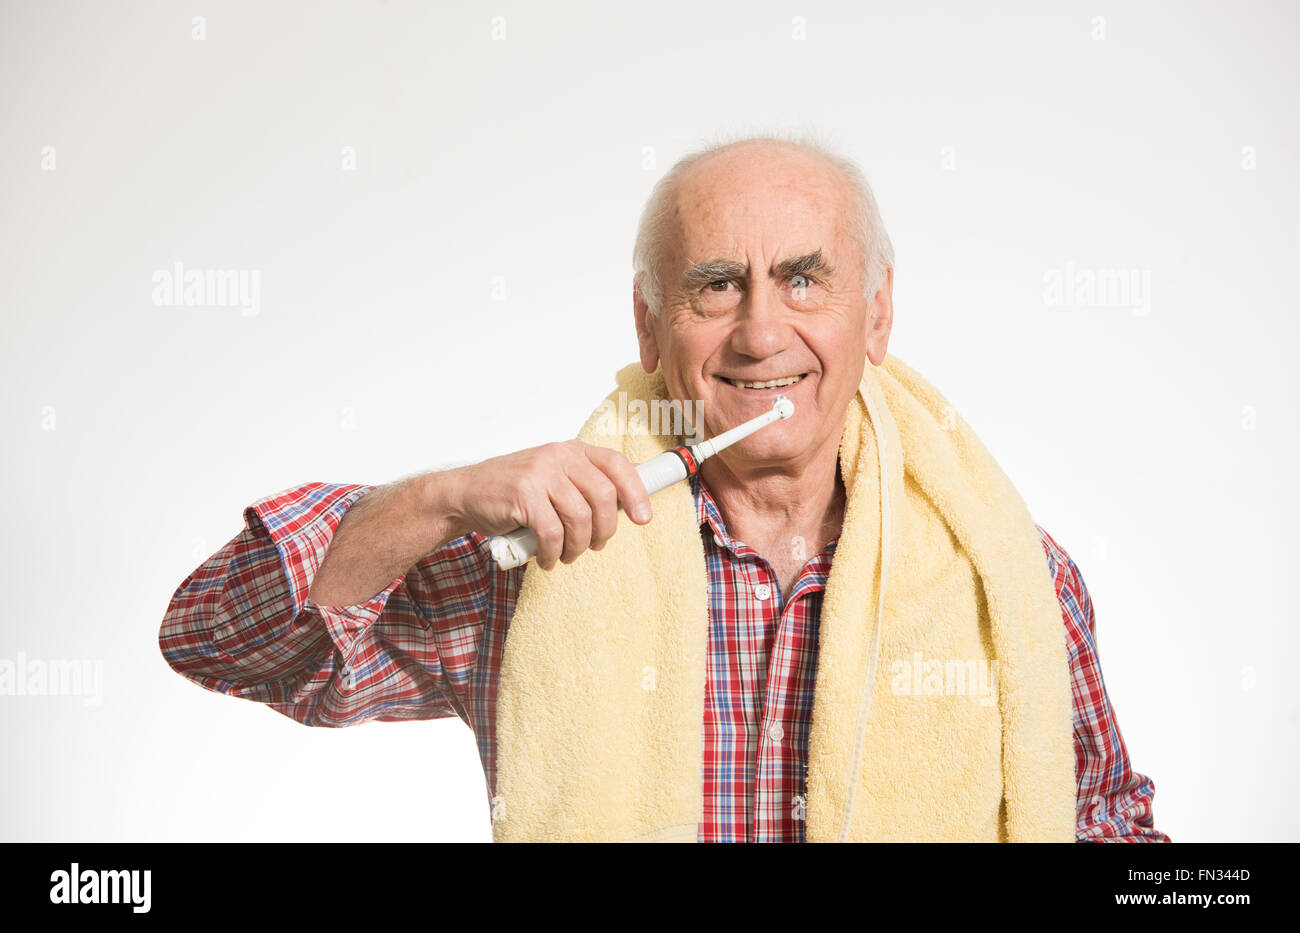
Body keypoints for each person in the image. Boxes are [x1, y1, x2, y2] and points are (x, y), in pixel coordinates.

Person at [159, 134, 1168, 843]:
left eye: (804, 280)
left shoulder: (1012, 578)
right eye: (717, 284)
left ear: (877, 316)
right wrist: (439, 501)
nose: (761, 334)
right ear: (648, 330)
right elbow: (219, 637)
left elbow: (1109, 833)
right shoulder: (547, 560)